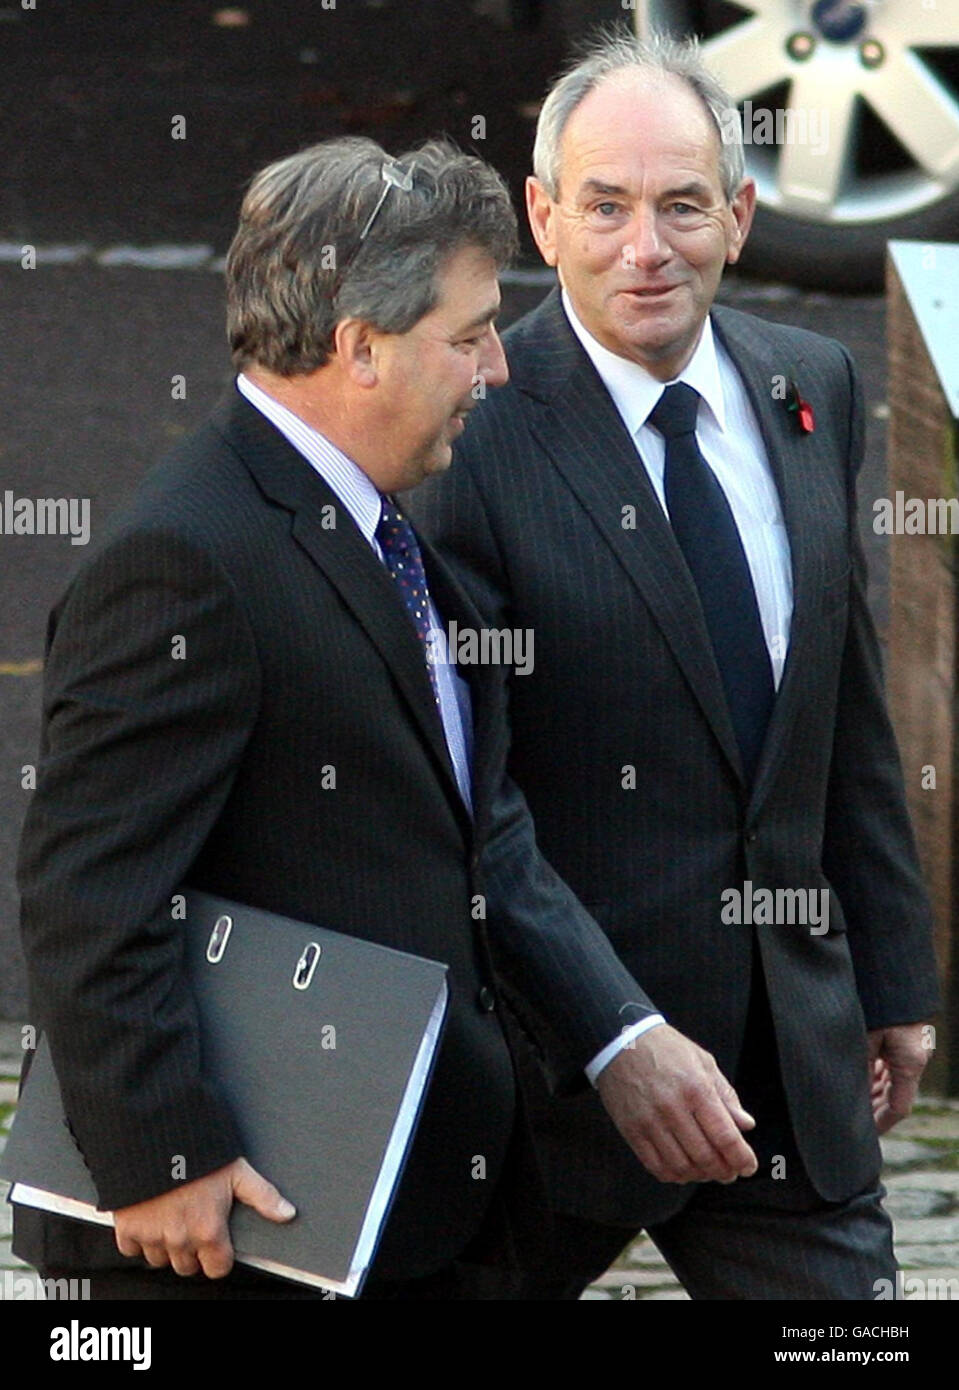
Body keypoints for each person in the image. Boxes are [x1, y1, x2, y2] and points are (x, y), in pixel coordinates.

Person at [12, 135, 713, 1301]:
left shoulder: (387, 523)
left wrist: (617, 1033)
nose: (495, 367)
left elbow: (473, 823)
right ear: (360, 348)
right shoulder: (184, 565)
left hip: (404, 1210)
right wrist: (162, 1154)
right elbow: (89, 895)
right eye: (469, 333)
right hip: (231, 1240)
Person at [408, 33, 941, 1300]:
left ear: (740, 216)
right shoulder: (464, 434)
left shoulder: (807, 384)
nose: (643, 247)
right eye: (603, 207)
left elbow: (842, 706)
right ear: (542, 217)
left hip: (781, 1072)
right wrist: (616, 1036)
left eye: (681, 205)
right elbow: (470, 797)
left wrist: (890, 967)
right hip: (546, 1088)